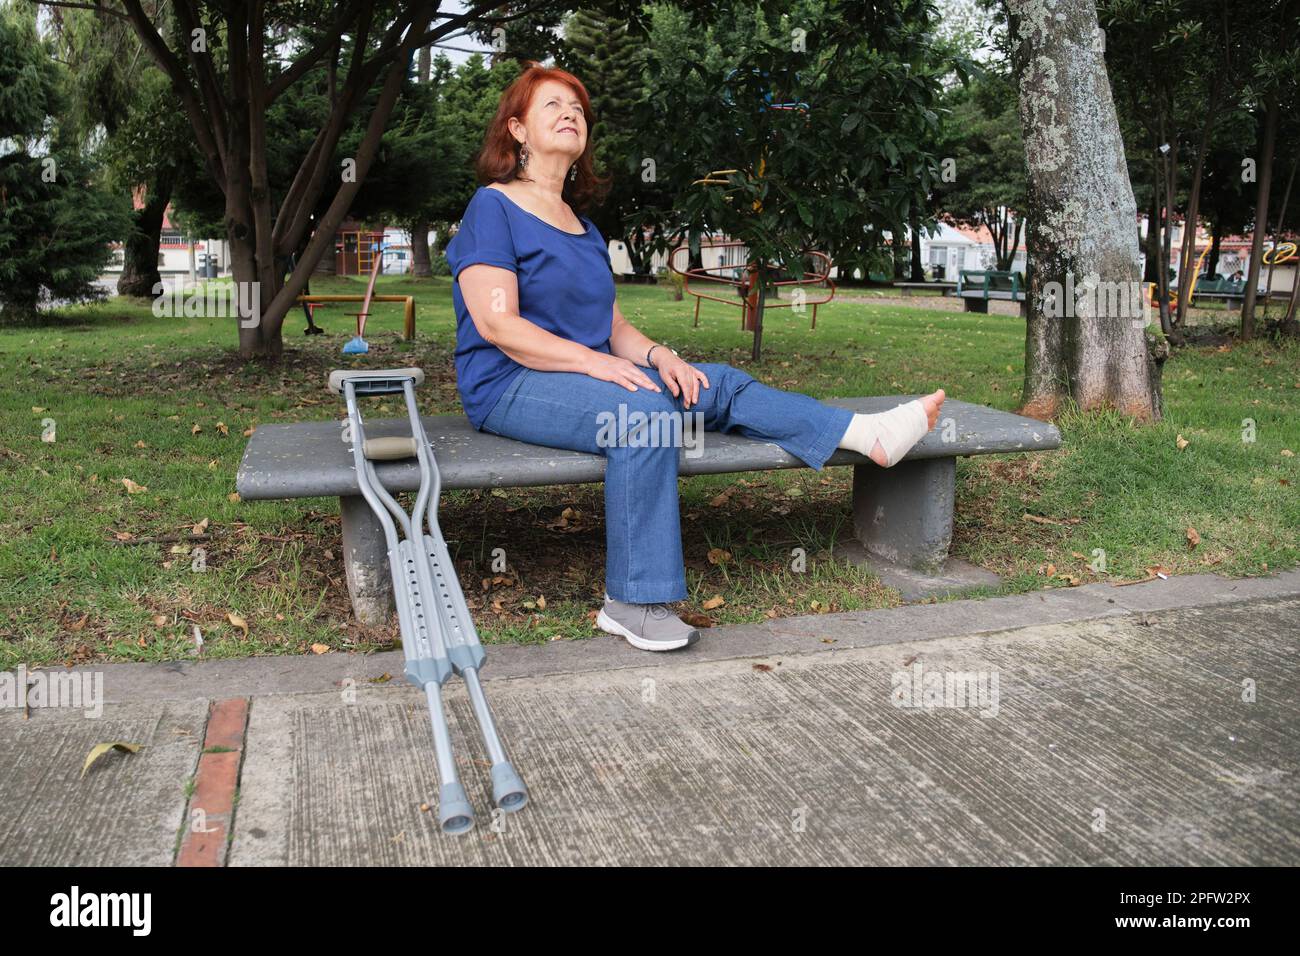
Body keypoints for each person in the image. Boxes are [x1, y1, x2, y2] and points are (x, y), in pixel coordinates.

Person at [446, 64, 945, 653]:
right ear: (517, 130)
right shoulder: (492, 208)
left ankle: (868, 435)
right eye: (553, 104)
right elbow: (498, 322)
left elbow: (611, 326)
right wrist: (592, 363)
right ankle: (632, 601)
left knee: (715, 384)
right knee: (645, 418)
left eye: (578, 108)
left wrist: (662, 356)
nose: (571, 114)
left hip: (584, 370)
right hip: (509, 381)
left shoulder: (582, 226)